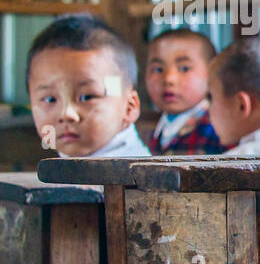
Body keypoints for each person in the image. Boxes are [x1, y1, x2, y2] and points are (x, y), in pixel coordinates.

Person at [26, 14, 151, 158]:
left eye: (86, 97)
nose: (67, 114)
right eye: (50, 99)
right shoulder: (70, 166)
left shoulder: (137, 176)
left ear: (129, 107)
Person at [144, 28, 225, 155]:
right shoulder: (159, 129)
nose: (169, 79)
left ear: (212, 73)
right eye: (158, 69)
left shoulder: (218, 129)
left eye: (184, 68)